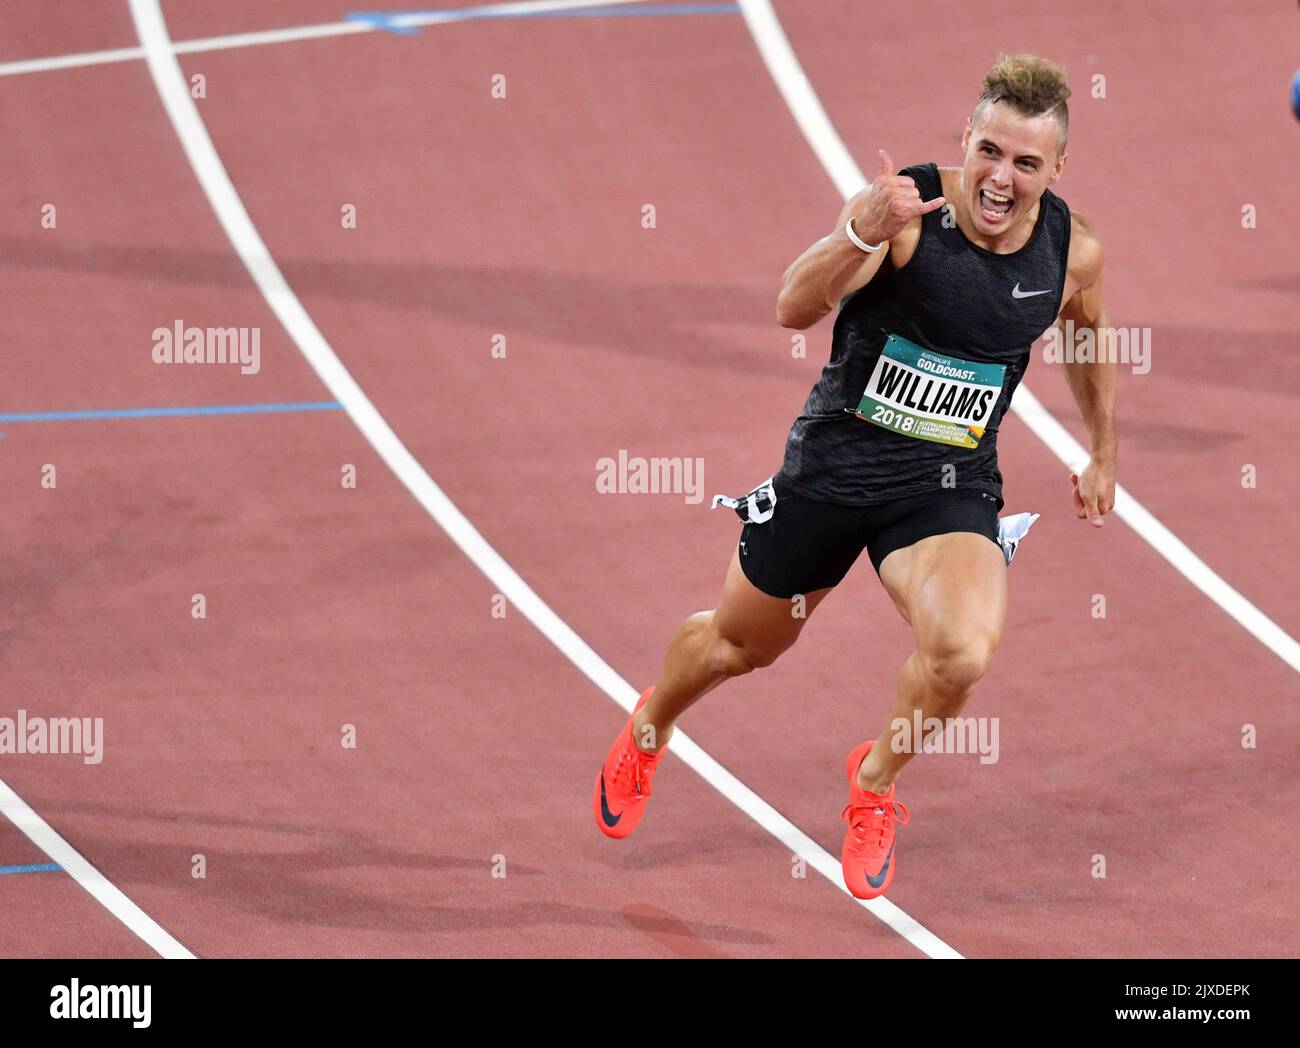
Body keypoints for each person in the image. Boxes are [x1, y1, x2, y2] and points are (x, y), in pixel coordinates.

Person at [593, 53, 1116, 900]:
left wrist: (1103, 451)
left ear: (1058, 171)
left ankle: (873, 786)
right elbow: (792, 307)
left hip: (946, 485)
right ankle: (652, 725)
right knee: (737, 647)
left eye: (1026, 164)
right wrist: (860, 229)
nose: (1000, 179)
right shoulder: (907, 213)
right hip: (831, 471)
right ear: (966, 140)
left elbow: (1088, 337)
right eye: (989, 152)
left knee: (962, 652)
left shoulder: (1073, 251)